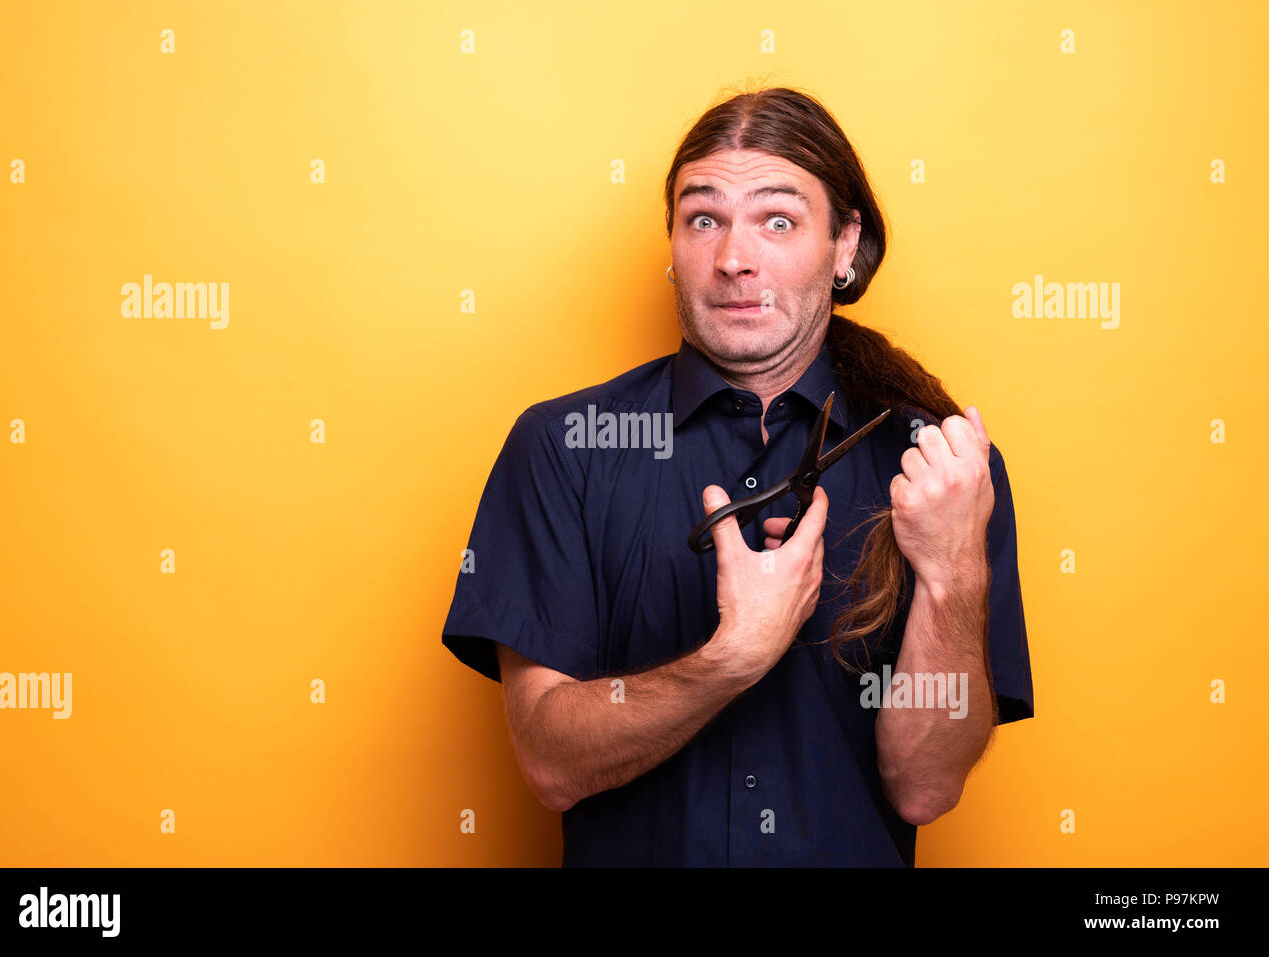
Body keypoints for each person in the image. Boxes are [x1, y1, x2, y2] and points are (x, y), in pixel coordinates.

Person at [441, 86, 1034, 866]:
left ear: (845, 244)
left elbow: (925, 786)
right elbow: (549, 761)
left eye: (778, 219)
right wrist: (732, 658)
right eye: (703, 218)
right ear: (674, 242)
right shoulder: (562, 449)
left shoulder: (947, 471)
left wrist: (953, 568)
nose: (732, 257)